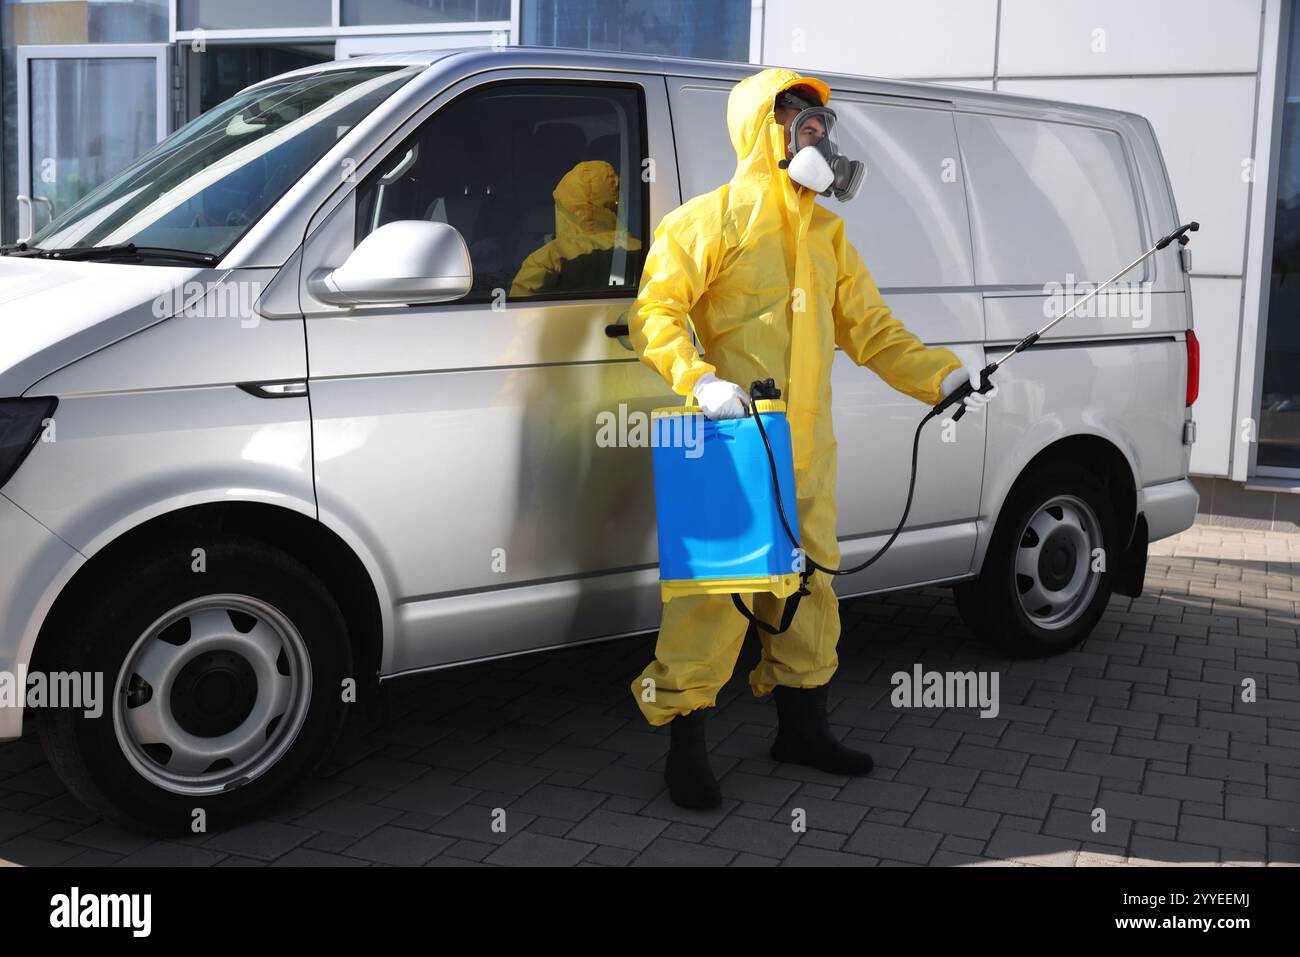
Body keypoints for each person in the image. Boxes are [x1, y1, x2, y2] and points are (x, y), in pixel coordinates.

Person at [626, 67, 997, 810]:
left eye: (824, 129)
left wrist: (942, 377)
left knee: (808, 589)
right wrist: (698, 378)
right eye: (805, 127)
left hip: (806, 454)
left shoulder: (829, 235)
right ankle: (686, 746)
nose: (819, 140)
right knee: (711, 594)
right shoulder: (710, 220)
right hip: (731, 445)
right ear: (769, 130)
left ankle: (802, 730)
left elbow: (874, 332)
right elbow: (655, 312)